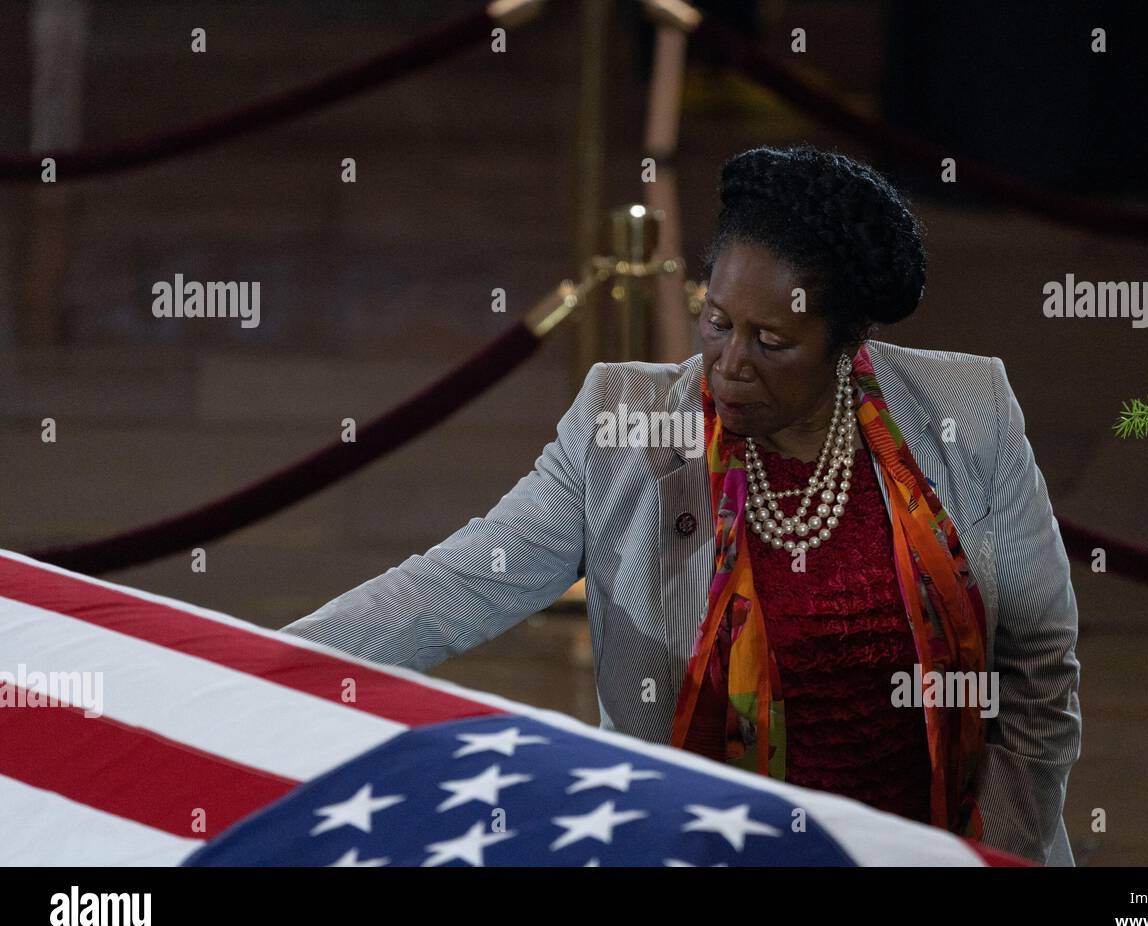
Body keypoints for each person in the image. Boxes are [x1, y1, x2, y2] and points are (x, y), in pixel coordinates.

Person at [281, 144, 1082, 865]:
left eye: (771, 343)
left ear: (847, 343)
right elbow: (452, 586)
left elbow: (1039, 668)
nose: (730, 364)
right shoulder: (627, 429)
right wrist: (259, 665)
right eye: (717, 322)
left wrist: (990, 860)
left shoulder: (968, 410)